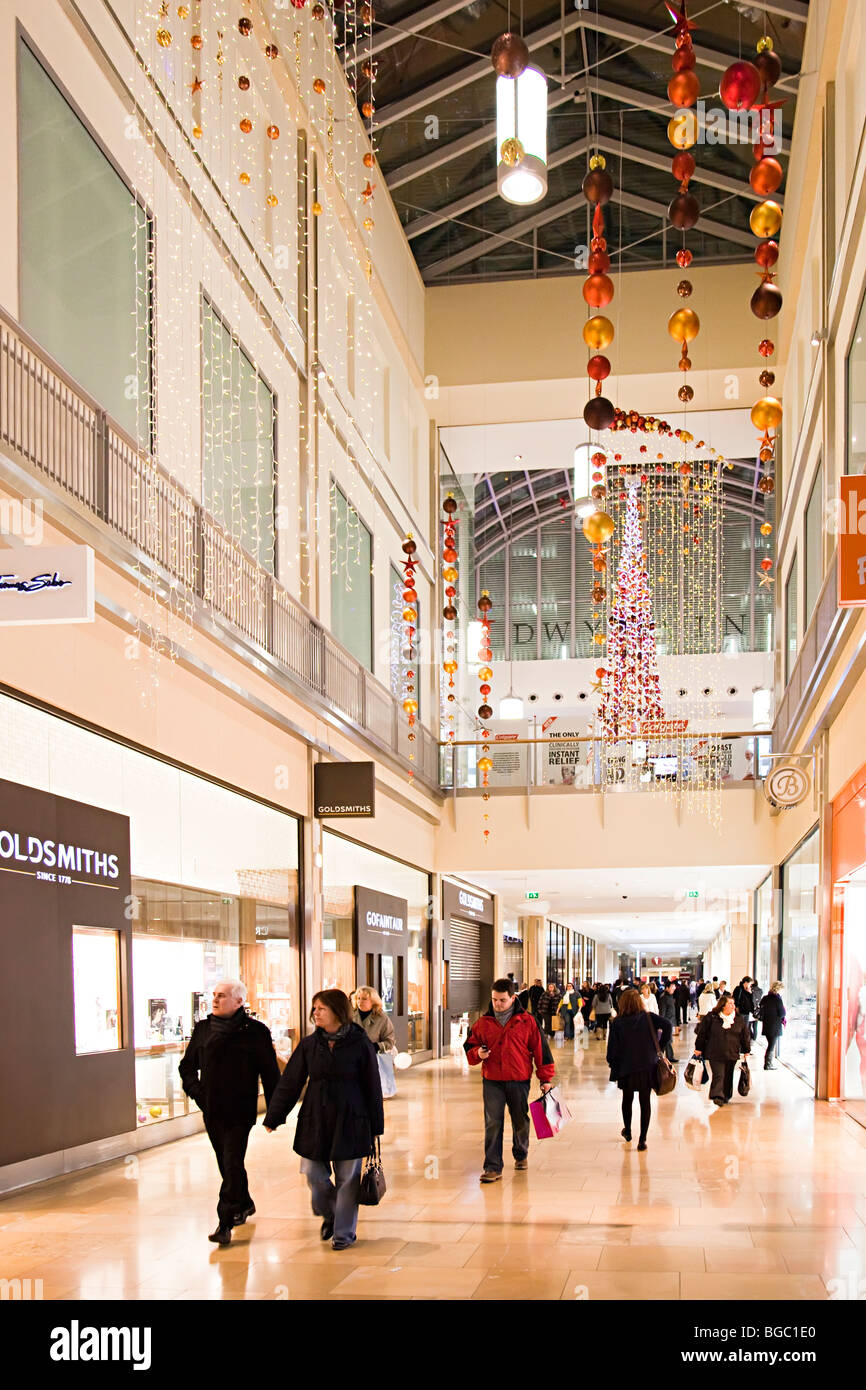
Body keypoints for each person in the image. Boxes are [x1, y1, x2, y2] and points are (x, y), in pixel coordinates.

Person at [264, 989, 383, 1251]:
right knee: (313, 1174)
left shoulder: (360, 1043)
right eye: (314, 1008)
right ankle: (331, 1212)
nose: (315, 1013)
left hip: (351, 1117)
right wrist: (275, 1115)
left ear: (338, 1012)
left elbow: (372, 1085)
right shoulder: (309, 1044)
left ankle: (344, 1233)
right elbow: (291, 1081)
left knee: (347, 1179)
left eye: (321, 1009)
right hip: (315, 1116)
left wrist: (376, 1127)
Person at [179, 979, 279, 1246]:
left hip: (240, 1110)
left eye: (221, 996)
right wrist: (199, 1095)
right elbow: (186, 1067)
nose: (214, 999)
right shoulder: (203, 1029)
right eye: (214, 995)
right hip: (212, 1111)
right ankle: (244, 1202)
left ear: (238, 1001)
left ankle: (226, 1221)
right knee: (226, 1162)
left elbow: (270, 1073)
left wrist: (275, 1113)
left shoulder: (255, 1031)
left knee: (232, 1160)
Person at [464, 978, 555, 1182]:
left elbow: (541, 1050)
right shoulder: (483, 1023)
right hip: (492, 1080)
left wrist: (545, 1078)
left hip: (519, 1079)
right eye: (495, 999)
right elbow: (469, 1048)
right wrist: (478, 1053)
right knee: (492, 1123)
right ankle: (493, 1167)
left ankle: (521, 1153)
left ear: (513, 998)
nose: (498, 1004)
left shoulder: (527, 1021)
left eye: (502, 1000)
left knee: (520, 1119)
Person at [607, 987, 673, 1152]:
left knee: (627, 1099)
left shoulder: (617, 1023)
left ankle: (628, 1131)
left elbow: (612, 1049)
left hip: (626, 1067)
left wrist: (612, 1063)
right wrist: (660, 1047)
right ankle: (642, 1139)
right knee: (645, 1102)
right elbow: (668, 1025)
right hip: (647, 1065)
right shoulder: (648, 1018)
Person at [694, 993, 751, 1106]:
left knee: (728, 1074)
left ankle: (726, 1095)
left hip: (732, 1052)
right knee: (719, 1074)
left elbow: (745, 1036)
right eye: (730, 1003)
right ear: (723, 1005)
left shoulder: (738, 1020)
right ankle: (717, 1095)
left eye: (733, 1004)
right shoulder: (712, 1017)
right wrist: (698, 1048)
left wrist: (746, 1051)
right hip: (715, 1052)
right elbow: (702, 1033)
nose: (733, 1006)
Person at [352, 985, 397, 1099]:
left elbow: (390, 1040)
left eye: (364, 999)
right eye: (358, 998)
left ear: (373, 1001)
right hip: (353, 1057)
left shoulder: (382, 1018)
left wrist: (376, 1046)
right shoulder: (350, 1016)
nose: (360, 1002)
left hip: (373, 1057)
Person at [760, 981, 786, 1069]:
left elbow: (761, 1011)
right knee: (771, 1045)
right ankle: (768, 1064)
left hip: (766, 1025)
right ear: (779, 989)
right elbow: (782, 1013)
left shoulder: (765, 998)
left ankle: (768, 1063)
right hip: (774, 1026)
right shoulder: (778, 999)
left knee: (770, 1043)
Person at [658, 982, 678, 1061]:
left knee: (667, 1040)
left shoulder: (670, 997)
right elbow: (662, 1011)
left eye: (674, 987)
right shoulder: (664, 998)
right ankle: (668, 1057)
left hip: (670, 1021)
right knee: (667, 1040)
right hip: (666, 1022)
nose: (674, 989)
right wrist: (661, 1024)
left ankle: (662, 1056)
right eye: (672, 987)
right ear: (667, 988)